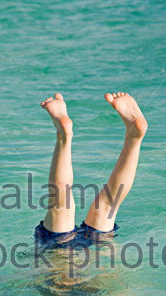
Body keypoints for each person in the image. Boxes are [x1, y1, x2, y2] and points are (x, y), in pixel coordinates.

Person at [35, 92, 148, 246]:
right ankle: (64, 136)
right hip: (63, 256)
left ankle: (133, 137)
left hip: (74, 260)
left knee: (107, 204)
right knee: (63, 203)